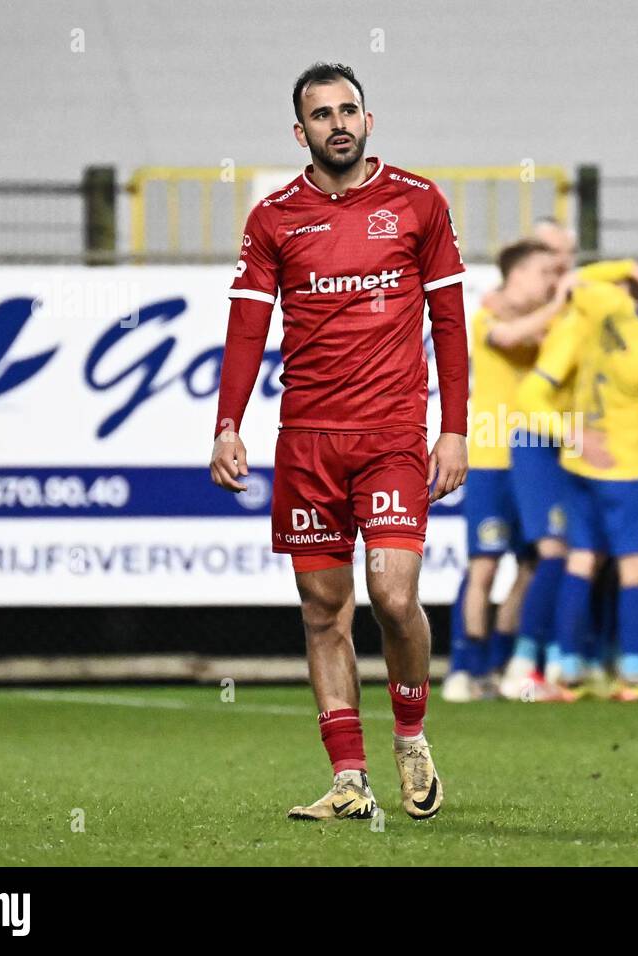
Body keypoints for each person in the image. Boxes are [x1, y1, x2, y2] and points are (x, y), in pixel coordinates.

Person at [210, 63, 468, 820]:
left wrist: (453, 428)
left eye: (348, 109)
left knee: (392, 595)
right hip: (308, 443)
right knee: (324, 610)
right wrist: (228, 423)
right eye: (321, 115)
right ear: (302, 132)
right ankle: (349, 780)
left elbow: (450, 323)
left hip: (391, 437)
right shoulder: (273, 218)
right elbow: (246, 327)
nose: (338, 123)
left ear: (369, 119)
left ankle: (412, 735)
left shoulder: (418, 203)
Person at [534, 260, 638, 700]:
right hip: (623, 470)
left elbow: (578, 280)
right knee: (634, 568)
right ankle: (633, 673)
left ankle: (566, 669)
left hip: (580, 460)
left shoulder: (608, 307)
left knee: (581, 559)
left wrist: (625, 268)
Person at [445, 239, 564, 702]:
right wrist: (560, 301)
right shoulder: (486, 315)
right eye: (543, 273)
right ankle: (462, 667)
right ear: (514, 276)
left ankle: (501, 661)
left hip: (538, 457)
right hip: (493, 459)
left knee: (534, 562)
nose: (552, 282)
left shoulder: (548, 325)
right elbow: (510, 338)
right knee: (484, 565)